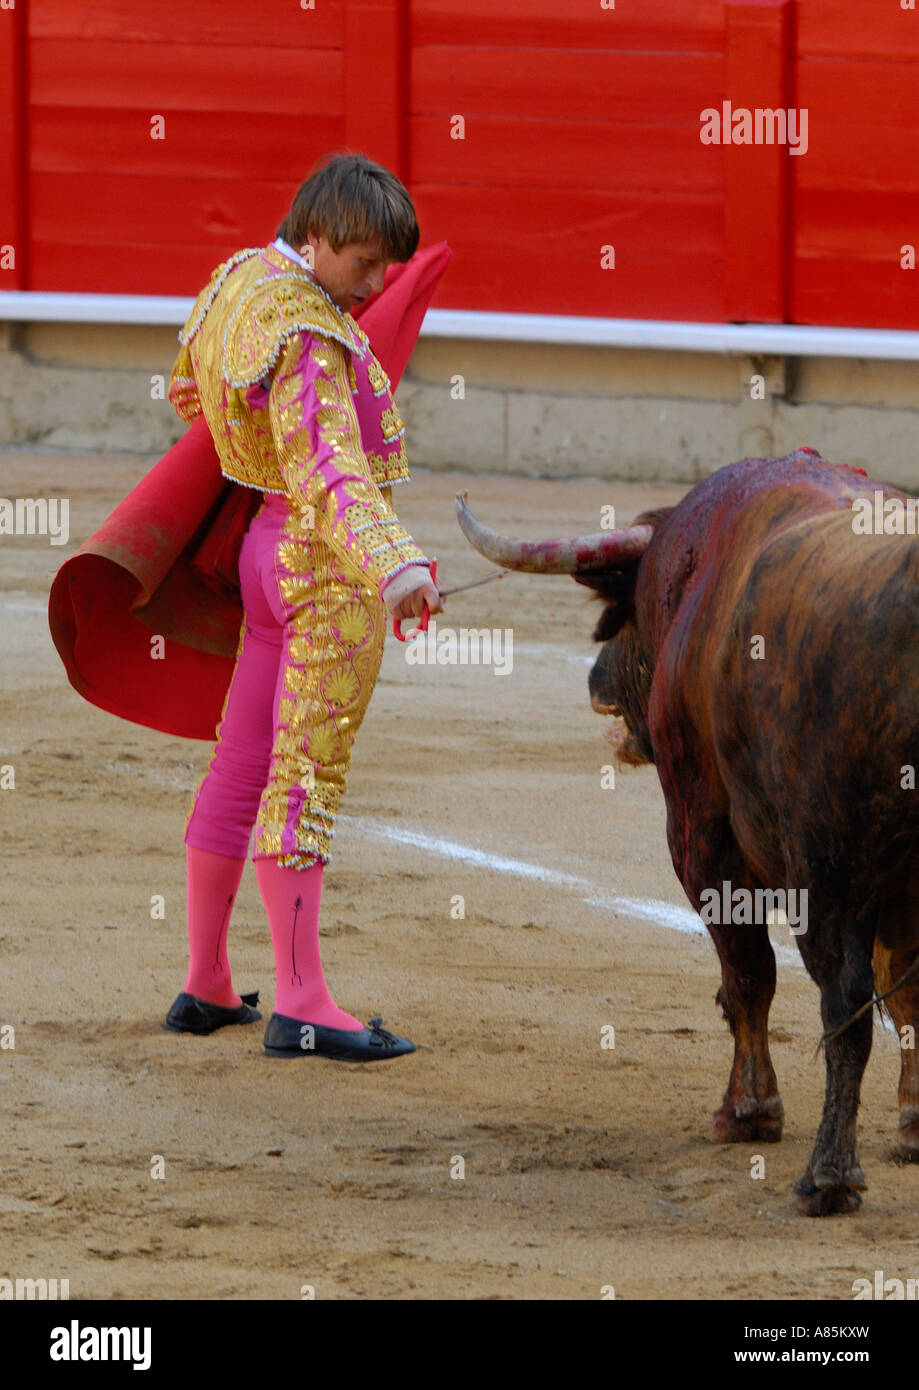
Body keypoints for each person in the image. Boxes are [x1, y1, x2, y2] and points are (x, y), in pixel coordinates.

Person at [162, 153, 444, 1062]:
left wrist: (256, 446)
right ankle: (302, 1001)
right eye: (361, 263)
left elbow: (184, 390)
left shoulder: (236, 284)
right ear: (316, 239)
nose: (372, 285)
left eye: (384, 270)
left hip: (260, 560)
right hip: (324, 573)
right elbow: (328, 471)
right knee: (303, 780)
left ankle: (206, 980)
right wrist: (395, 562)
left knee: (241, 764)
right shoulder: (310, 331)